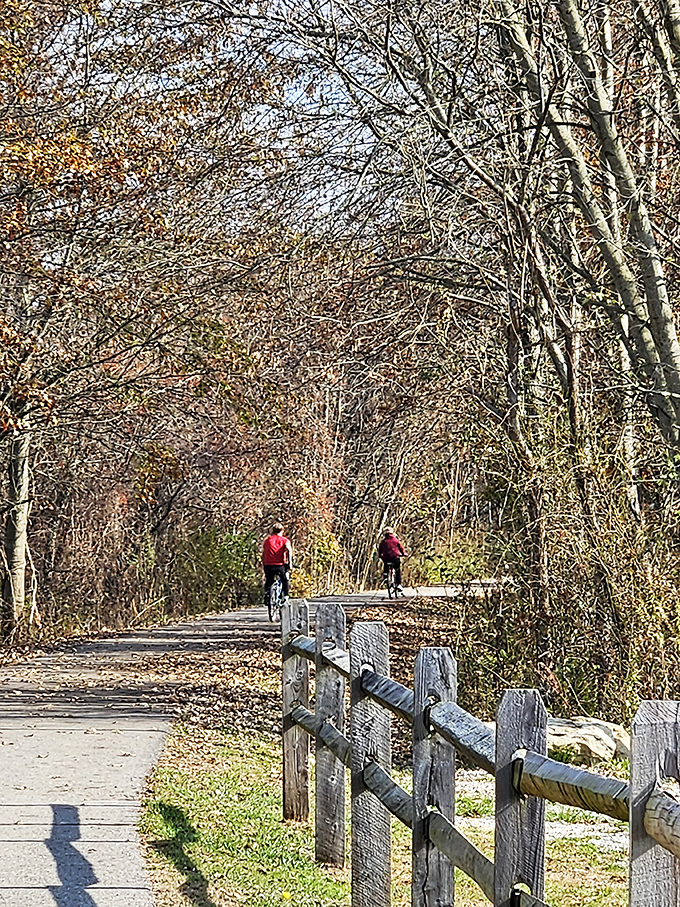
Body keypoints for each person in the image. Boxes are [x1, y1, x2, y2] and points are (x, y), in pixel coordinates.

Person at [262, 522, 293, 606]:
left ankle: (267, 595)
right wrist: (290, 563)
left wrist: (263, 563)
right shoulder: (284, 540)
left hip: (268, 564)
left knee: (269, 580)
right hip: (279, 564)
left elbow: (264, 552)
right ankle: (286, 596)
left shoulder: (267, 540)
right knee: (284, 579)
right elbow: (289, 550)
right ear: (282, 531)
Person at [378, 527, 407, 592]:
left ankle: (386, 577)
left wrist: (380, 556)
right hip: (395, 557)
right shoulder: (395, 540)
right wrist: (403, 553)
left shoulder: (383, 542)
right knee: (397, 570)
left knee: (386, 565)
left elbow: (380, 551)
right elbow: (401, 547)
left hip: (386, 558)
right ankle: (398, 584)